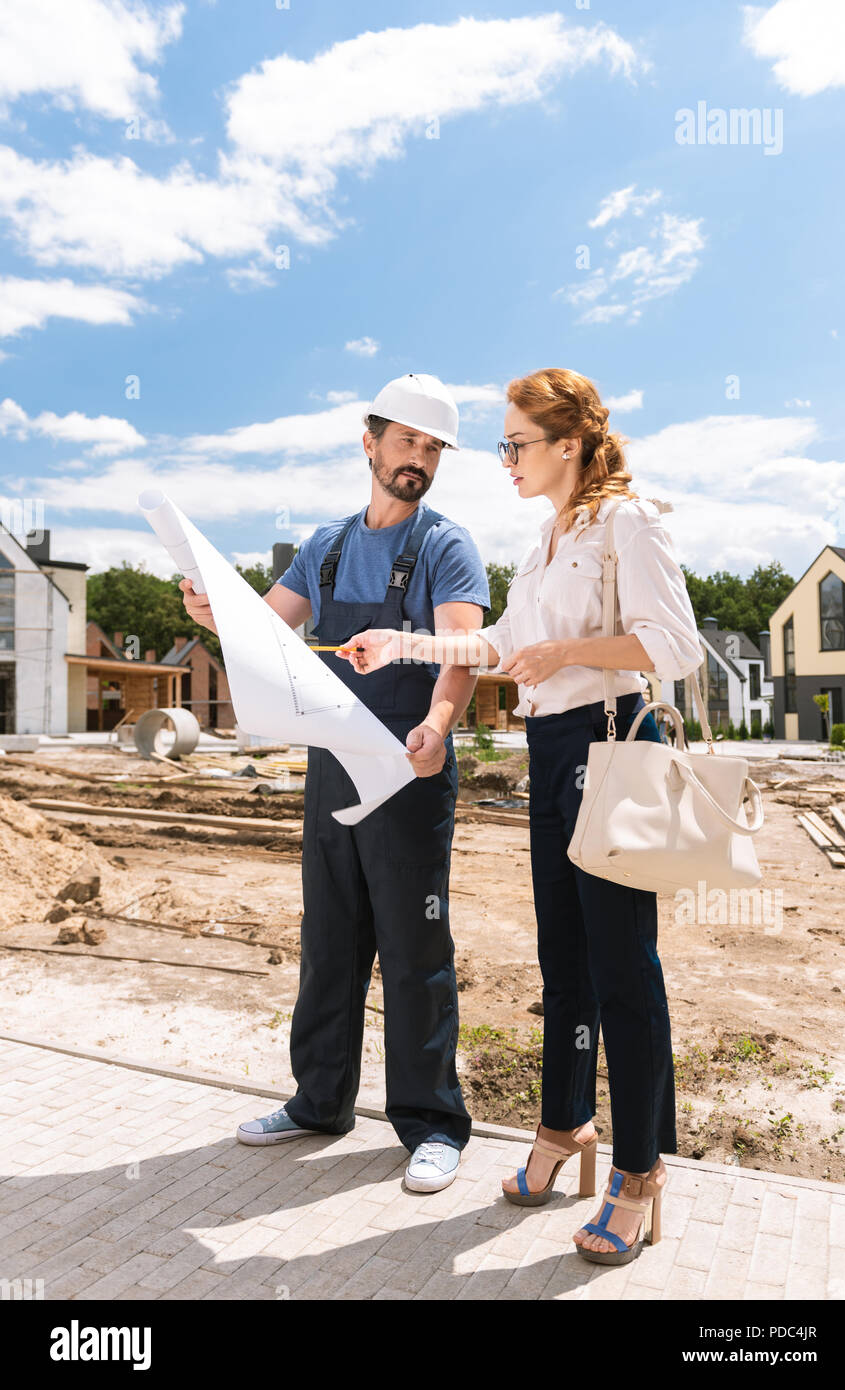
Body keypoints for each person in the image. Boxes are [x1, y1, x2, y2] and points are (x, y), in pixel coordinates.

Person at [339, 367, 704, 1260]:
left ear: (567, 443)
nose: (503, 458)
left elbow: (676, 647)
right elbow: (498, 646)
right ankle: (563, 1124)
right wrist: (404, 641)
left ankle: (642, 1169)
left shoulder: (627, 520)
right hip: (552, 753)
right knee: (563, 958)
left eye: (515, 443)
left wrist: (569, 649)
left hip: (613, 744)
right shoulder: (546, 540)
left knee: (624, 965)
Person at [181, 373, 490, 1193]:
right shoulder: (323, 546)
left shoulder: (445, 547)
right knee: (330, 939)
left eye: (432, 449)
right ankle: (318, 1102)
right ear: (370, 442)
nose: (418, 460)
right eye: (406, 443)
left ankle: (431, 1123)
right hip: (331, 766)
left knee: (413, 946)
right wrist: (213, 611)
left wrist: (436, 729)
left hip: (409, 767)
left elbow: (460, 653)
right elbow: (262, 631)